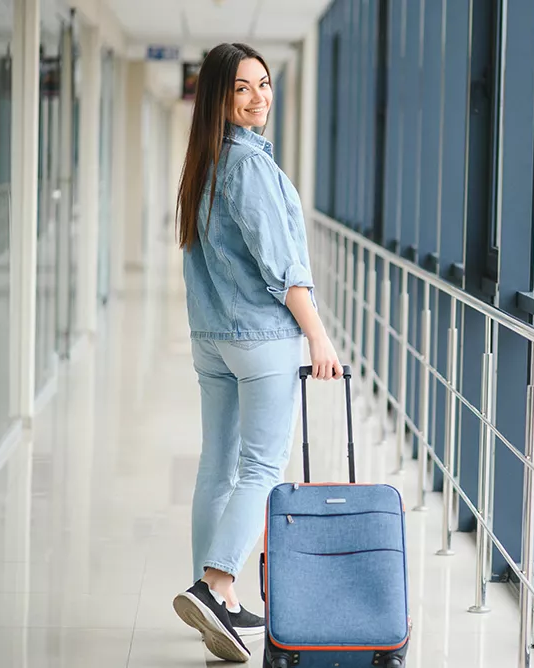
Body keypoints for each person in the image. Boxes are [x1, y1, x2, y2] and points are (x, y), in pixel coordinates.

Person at [170, 42, 341, 663]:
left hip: (211, 336)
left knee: (218, 464)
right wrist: (318, 335)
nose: (258, 98)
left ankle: (213, 596)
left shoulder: (202, 165)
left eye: (263, 85)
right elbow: (284, 267)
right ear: (219, 97)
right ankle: (216, 583)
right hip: (261, 338)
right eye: (242, 89)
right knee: (262, 467)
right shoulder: (248, 165)